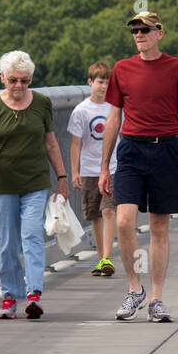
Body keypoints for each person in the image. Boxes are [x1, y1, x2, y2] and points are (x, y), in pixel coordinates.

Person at [100, 12, 178, 323]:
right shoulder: (122, 68)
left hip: (165, 149)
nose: (139, 35)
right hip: (131, 150)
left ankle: (157, 298)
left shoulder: (177, 67)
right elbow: (113, 118)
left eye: (144, 30)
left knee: (159, 227)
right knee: (123, 222)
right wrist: (104, 166)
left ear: (159, 33)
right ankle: (135, 289)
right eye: (134, 30)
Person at [0, 50, 69, 320]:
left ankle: (34, 293)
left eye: (25, 81)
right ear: (2, 78)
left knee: (32, 234)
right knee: (8, 242)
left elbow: (50, 143)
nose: (19, 86)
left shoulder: (41, 104)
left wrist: (62, 178)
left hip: (35, 182)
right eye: (13, 80)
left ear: (31, 80)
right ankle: (9, 296)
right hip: (3, 184)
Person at [68, 61, 118, 276]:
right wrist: (74, 171)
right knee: (95, 215)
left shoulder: (114, 107)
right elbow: (75, 143)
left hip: (112, 167)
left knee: (109, 210)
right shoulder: (81, 110)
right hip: (89, 168)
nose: (104, 87)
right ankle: (100, 259)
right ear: (90, 82)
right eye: (100, 82)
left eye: (107, 83)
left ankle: (107, 257)